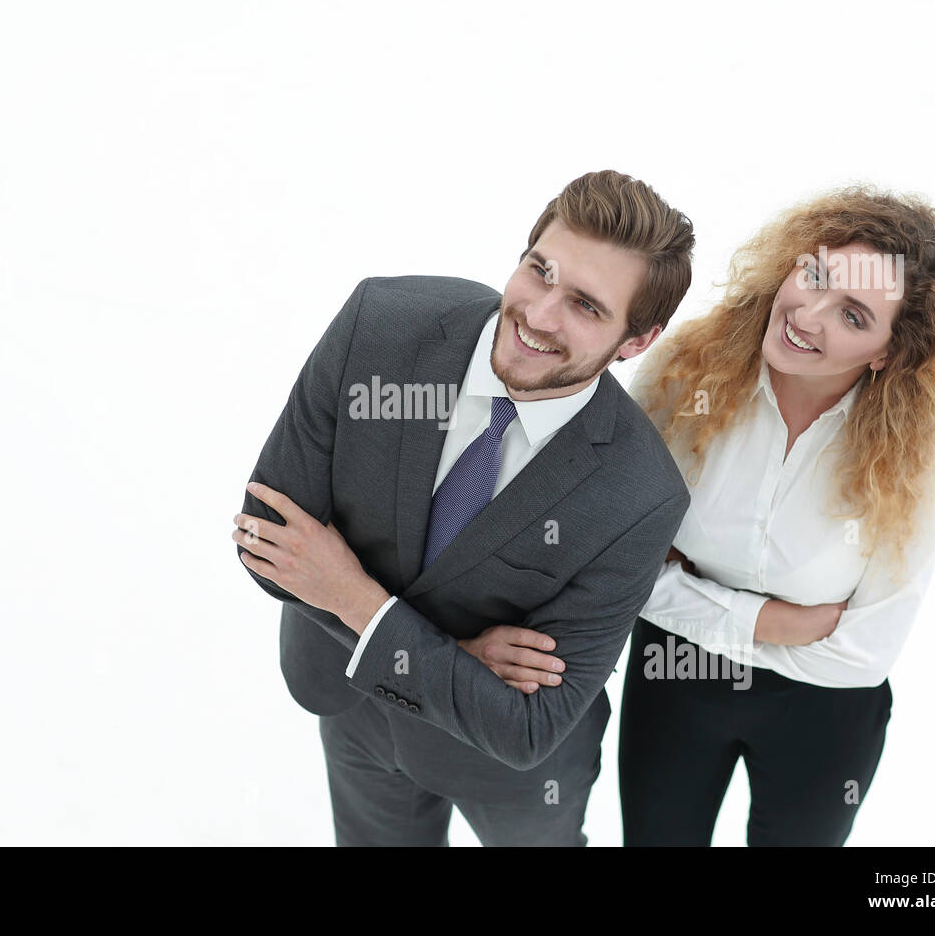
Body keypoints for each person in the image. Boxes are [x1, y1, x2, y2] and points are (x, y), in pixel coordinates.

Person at [469, 185, 935, 845]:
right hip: (674, 680)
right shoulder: (690, 372)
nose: (810, 315)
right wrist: (775, 621)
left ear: (888, 350)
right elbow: (611, 559)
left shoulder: (919, 449)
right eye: (816, 276)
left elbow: (862, 654)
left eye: (854, 316)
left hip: (825, 714)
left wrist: (685, 588)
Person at [232, 170, 694, 845]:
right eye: (540, 270)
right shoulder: (378, 326)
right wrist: (455, 655)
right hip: (348, 704)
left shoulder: (640, 495)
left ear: (636, 340)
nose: (538, 315)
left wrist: (356, 599)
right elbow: (265, 542)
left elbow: (526, 724)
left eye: (587, 307)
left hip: (507, 777)